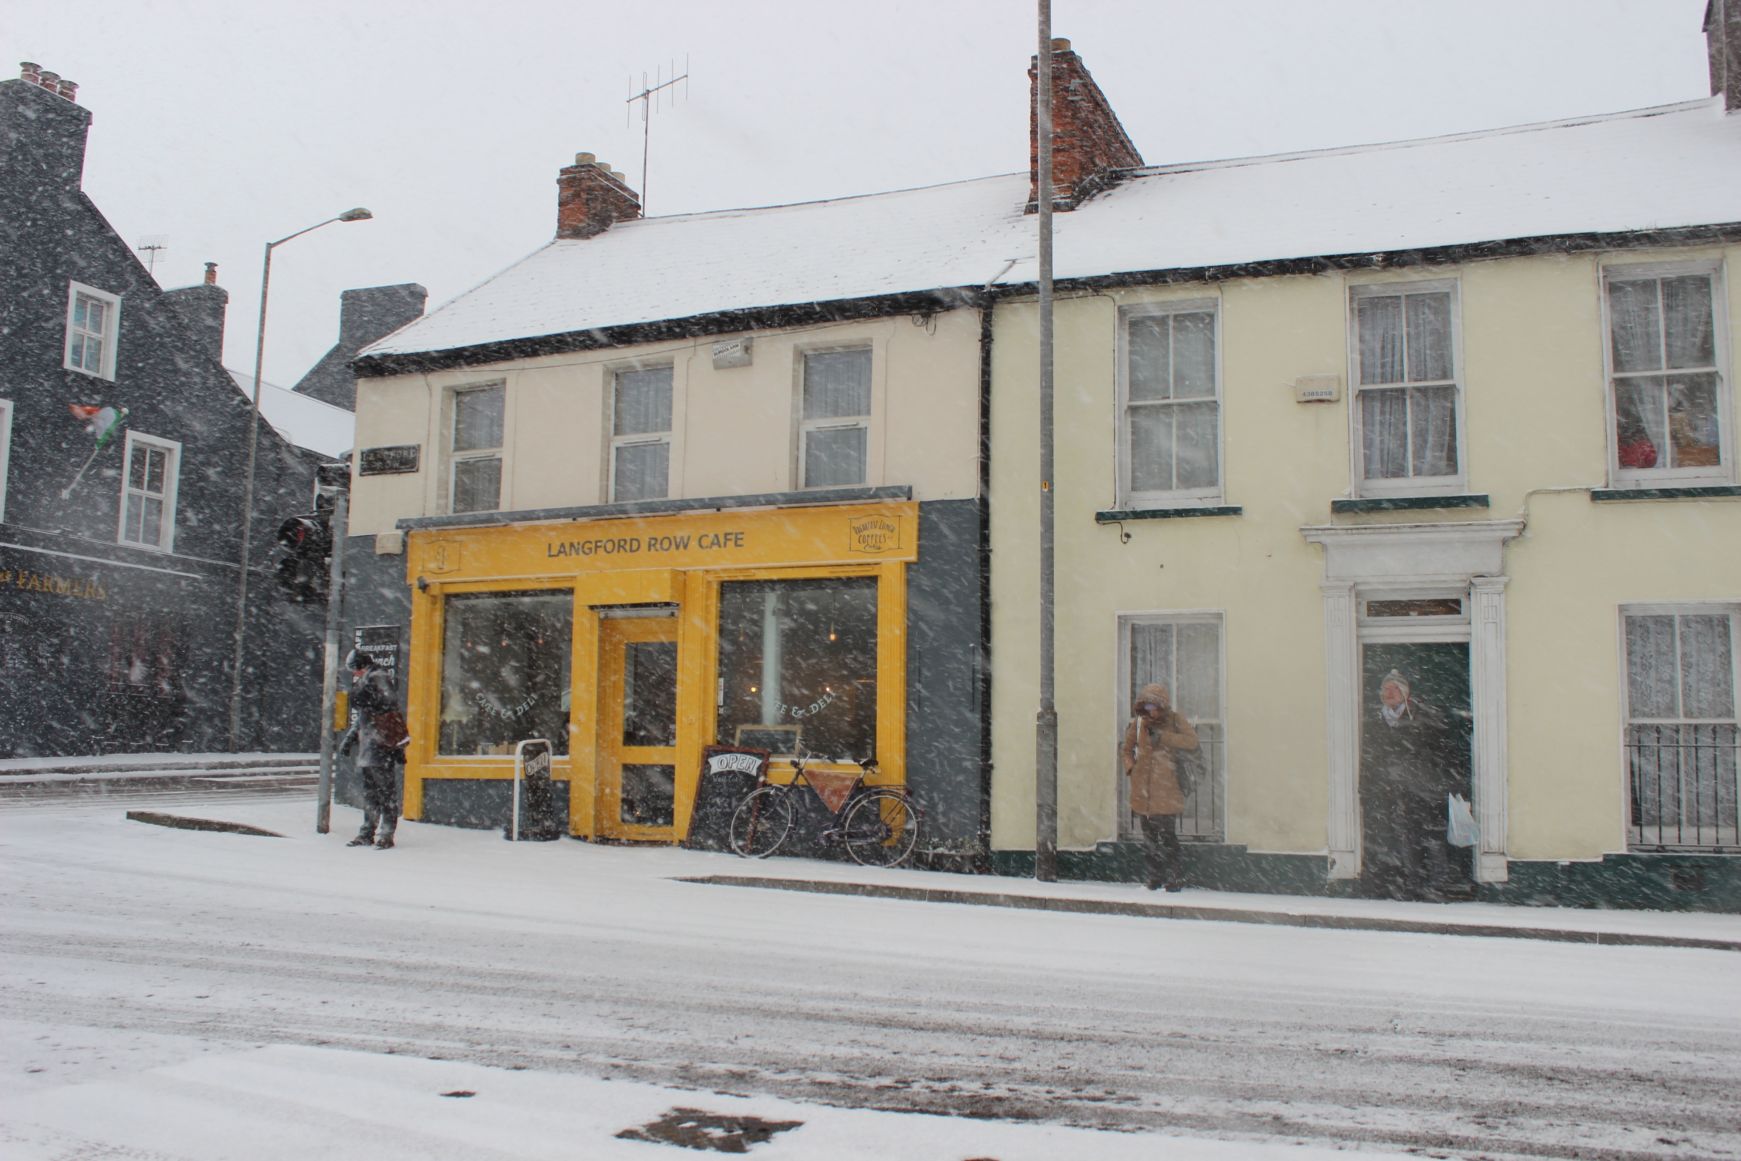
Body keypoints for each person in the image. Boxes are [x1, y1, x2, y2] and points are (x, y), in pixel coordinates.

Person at [1362, 669, 1460, 901]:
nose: (1389, 693)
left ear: (1406, 693)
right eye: (1385, 688)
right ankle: (1409, 883)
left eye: (1395, 688)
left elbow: (1442, 750)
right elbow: (1370, 756)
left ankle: (1437, 883)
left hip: (1424, 789)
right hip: (1391, 790)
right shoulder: (1372, 720)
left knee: (1432, 836)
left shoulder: (1422, 716)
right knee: (1401, 837)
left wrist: (1434, 777)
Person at [1121, 682, 1199, 891]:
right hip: (1143, 793)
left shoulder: (1175, 720)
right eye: (1147, 706)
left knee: (1168, 839)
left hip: (1167, 789)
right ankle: (1154, 877)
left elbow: (1191, 742)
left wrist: (1164, 737)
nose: (1151, 710)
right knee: (1149, 841)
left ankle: (1175, 877)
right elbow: (1127, 750)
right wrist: (1132, 769)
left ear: (1162, 705)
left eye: (1154, 705)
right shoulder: (1138, 725)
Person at [340, 650, 406, 849]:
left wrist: (359, 693)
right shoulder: (368, 681)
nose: (354, 675)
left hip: (381, 746)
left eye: (354, 670)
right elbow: (362, 716)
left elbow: (386, 706)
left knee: (385, 793)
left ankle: (385, 834)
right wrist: (350, 740)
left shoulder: (378, 677)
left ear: (360, 666)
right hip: (370, 747)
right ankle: (367, 832)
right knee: (371, 793)